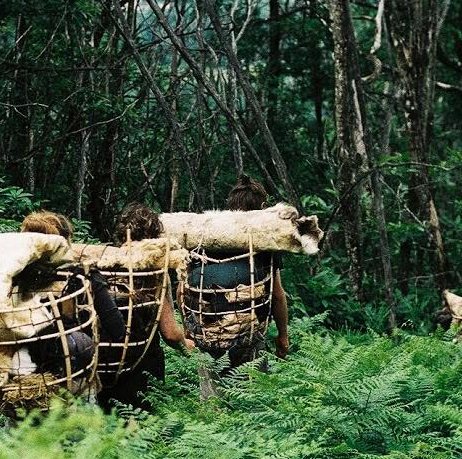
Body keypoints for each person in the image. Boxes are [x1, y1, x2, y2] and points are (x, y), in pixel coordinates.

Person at [20, 210, 125, 402]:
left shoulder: (14, 281)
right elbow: (117, 329)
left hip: (23, 384)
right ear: (64, 242)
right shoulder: (83, 277)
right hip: (73, 379)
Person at [100, 202, 194, 410]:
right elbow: (169, 333)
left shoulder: (104, 265)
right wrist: (188, 347)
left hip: (102, 362)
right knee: (144, 431)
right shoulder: (155, 274)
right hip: (141, 363)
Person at [190, 176, 290, 368]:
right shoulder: (263, 246)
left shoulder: (204, 239)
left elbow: (184, 289)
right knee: (252, 392)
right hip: (249, 332)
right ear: (261, 208)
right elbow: (277, 295)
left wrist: (190, 328)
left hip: (208, 332)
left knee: (212, 395)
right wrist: (283, 335)